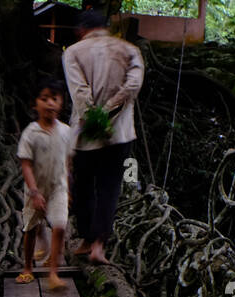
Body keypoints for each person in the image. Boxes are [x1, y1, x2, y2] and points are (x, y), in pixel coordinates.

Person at [62, 8, 144, 264]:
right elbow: (132, 86)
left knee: (84, 186)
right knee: (110, 187)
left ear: (80, 30)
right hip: (120, 134)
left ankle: (86, 238)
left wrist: (93, 118)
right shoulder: (130, 50)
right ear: (106, 27)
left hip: (85, 135)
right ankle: (98, 245)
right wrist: (110, 113)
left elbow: (79, 91)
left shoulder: (73, 52)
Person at [16, 77, 72, 291]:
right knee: (30, 228)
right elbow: (26, 164)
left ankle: (54, 273)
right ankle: (28, 267)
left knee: (59, 226)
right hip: (35, 190)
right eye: (44, 98)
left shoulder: (66, 132)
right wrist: (34, 192)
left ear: (61, 103)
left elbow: (67, 162)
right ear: (35, 104)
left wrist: (68, 188)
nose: (50, 103)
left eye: (54, 99)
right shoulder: (31, 133)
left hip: (58, 188)